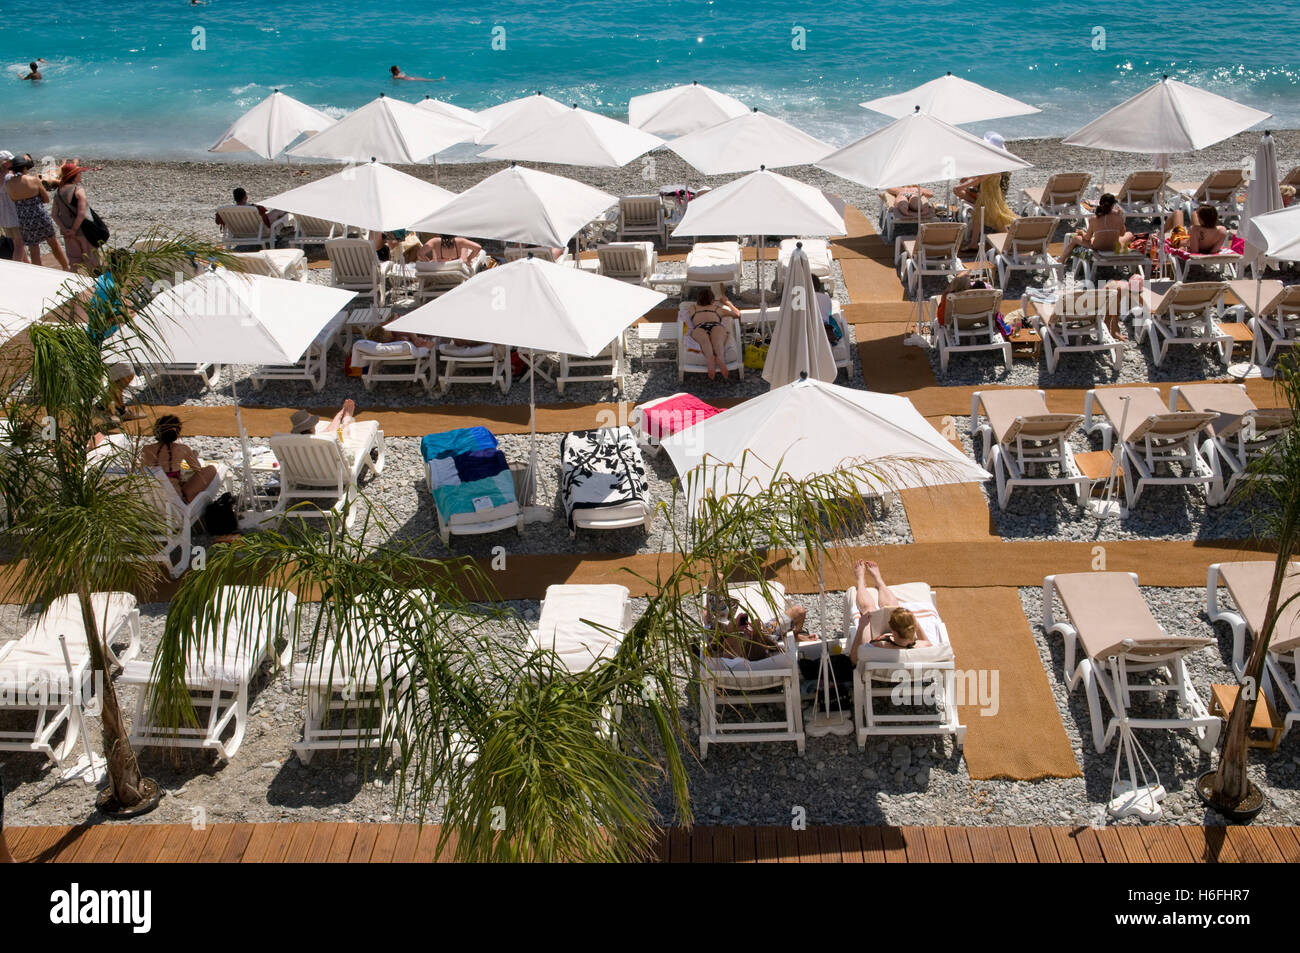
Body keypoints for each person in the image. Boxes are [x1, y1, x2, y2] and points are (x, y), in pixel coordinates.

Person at [842, 559, 945, 665]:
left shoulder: (876, 648)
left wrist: (861, 628)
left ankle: (860, 581)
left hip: (881, 678)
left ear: (892, 630)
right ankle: (879, 581)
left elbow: (854, 659)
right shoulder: (924, 647)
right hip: (911, 675)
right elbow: (927, 643)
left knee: (869, 611)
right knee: (892, 608)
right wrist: (916, 626)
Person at [954, 132, 1018, 250]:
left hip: (990, 195)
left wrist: (962, 187)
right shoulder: (998, 160)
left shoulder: (993, 162)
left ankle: (1010, 243)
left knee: (998, 221)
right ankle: (974, 244)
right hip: (988, 193)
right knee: (978, 217)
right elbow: (981, 177)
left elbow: (981, 178)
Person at [3, 155, 69, 269]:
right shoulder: (33, 180)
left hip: (24, 220)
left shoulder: (8, 184)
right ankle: (65, 267)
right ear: (24, 168)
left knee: (34, 249)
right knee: (53, 243)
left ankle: (39, 274)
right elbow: (46, 199)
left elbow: (13, 199)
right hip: (39, 216)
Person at [141, 415, 219, 504]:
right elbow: (197, 469)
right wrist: (194, 455)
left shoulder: (146, 449)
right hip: (176, 500)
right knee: (210, 469)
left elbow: (143, 471)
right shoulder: (182, 449)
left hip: (152, 497)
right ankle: (190, 501)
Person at [52, 161, 99, 269]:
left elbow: (54, 214)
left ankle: (73, 283)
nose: (80, 175)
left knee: (74, 261)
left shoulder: (58, 192)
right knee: (92, 260)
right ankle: (94, 284)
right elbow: (81, 213)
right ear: (73, 176)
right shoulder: (78, 190)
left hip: (67, 232)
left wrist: (65, 229)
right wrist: (74, 229)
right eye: (79, 173)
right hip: (83, 231)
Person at [686, 285, 738, 381]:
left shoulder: (693, 307)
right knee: (718, 341)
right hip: (715, 325)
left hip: (700, 327)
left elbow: (686, 311)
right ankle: (720, 358)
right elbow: (737, 314)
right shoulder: (717, 308)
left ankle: (710, 359)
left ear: (698, 300)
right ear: (713, 300)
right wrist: (727, 303)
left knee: (704, 341)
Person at [1060, 192, 1132, 260]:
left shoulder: (1094, 218)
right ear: (1113, 205)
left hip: (1098, 247)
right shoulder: (1118, 217)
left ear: (1100, 204)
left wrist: (1082, 232)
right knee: (1129, 234)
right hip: (1113, 247)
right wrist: (1120, 218)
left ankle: (1061, 259)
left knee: (1075, 238)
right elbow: (1122, 234)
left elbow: (1087, 238)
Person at [0, 151, 28, 262]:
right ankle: (16, 269)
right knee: (19, 245)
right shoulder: (9, 177)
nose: (13, 162)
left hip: (5, 217)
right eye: (10, 161)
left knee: (17, 243)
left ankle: (27, 265)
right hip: (14, 215)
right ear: (3, 163)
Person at [289, 399, 357, 440]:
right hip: (333, 459)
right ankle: (347, 418)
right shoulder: (324, 440)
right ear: (311, 428)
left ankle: (341, 413)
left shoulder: (291, 442)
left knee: (328, 431)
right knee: (341, 430)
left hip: (309, 461)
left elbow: (328, 431)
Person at [418, 233, 483, 265]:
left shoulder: (434, 241)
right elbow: (478, 247)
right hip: (456, 271)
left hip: (438, 271)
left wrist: (428, 263)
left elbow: (420, 253)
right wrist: (469, 259)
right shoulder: (460, 241)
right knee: (465, 248)